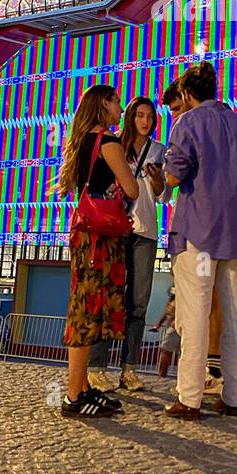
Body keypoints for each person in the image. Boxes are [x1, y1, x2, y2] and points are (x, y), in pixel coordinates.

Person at [162, 61, 237, 419]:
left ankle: (189, 397)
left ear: (188, 94)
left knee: (195, 315)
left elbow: (174, 178)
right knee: (236, 317)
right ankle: (233, 397)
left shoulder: (187, 124)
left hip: (199, 237)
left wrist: (159, 173)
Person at [53, 84, 138, 419]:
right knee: (87, 310)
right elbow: (132, 188)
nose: (120, 108)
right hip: (100, 237)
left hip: (86, 233)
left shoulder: (84, 140)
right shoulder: (108, 141)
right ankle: (74, 394)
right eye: (117, 101)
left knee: (86, 305)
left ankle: (83, 387)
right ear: (104, 103)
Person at [89, 96, 168, 393]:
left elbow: (162, 197)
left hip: (145, 230)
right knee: (109, 297)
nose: (145, 121)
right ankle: (97, 367)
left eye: (150, 116)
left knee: (138, 303)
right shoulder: (114, 145)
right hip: (116, 228)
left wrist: (158, 180)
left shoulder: (159, 150)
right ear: (130, 117)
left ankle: (129, 369)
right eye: (140, 115)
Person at [151, 288, 179, 377]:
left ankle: (162, 374)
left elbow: (166, 313)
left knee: (165, 351)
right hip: (181, 328)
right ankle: (180, 376)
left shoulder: (174, 302)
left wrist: (159, 324)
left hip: (173, 328)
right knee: (181, 354)